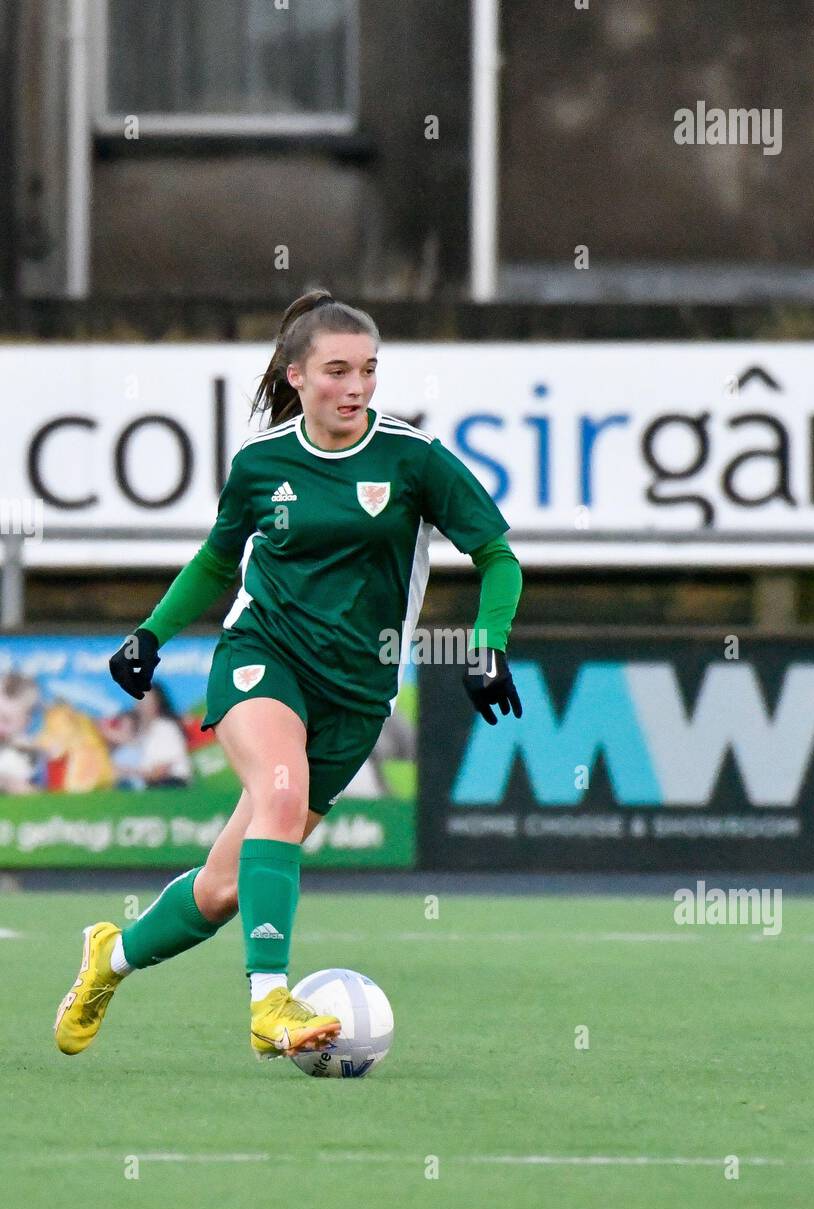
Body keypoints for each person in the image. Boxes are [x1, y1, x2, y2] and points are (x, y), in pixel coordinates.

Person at [54, 289, 524, 1060]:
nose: (356, 387)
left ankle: (110, 958)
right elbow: (216, 559)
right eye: (336, 370)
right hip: (262, 656)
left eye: (368, 370)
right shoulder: (262, 463)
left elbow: (497, 555)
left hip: (359, 692)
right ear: (296, 375)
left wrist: (489, 643)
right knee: (280, 788)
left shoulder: (413, 459)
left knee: (224, 890)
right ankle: (269, 1001)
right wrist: (152, 634)